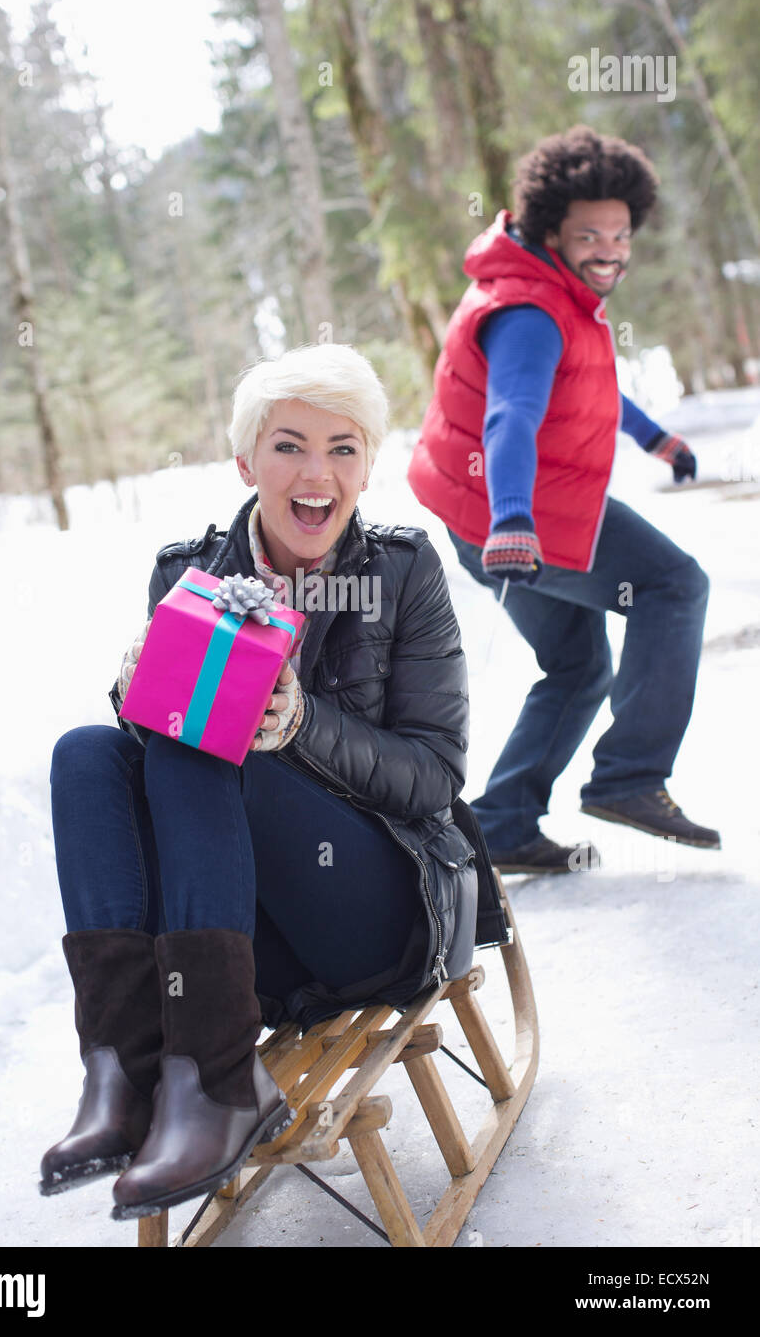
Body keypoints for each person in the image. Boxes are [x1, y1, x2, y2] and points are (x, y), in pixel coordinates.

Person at [41, 342, 478, 1220]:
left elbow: (435, 779)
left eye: (342, 448)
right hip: (240, 948)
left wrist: (300, 726)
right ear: (246, 462)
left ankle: (215, 1077)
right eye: (289, 446)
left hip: (379, 912)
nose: (316, 473)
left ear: (367, 466)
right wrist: (141, 701)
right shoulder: (188, 573)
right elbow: (157, 777)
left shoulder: (401, 572)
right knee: (86, 753)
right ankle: (124, 1066)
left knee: (218, 749)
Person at [408, 124, 719, 875]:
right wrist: (513, 518)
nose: (609, 250)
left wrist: (656, 440)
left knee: (579, 668)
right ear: (552, 228)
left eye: (620, 233)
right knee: (674, 585)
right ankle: (632, 776)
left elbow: (590, 385)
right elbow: (509, 416)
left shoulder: (553, 290)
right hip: (518, 515)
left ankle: (506, 821)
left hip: (486, 517)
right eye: (590, 234)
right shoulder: (530, 312)